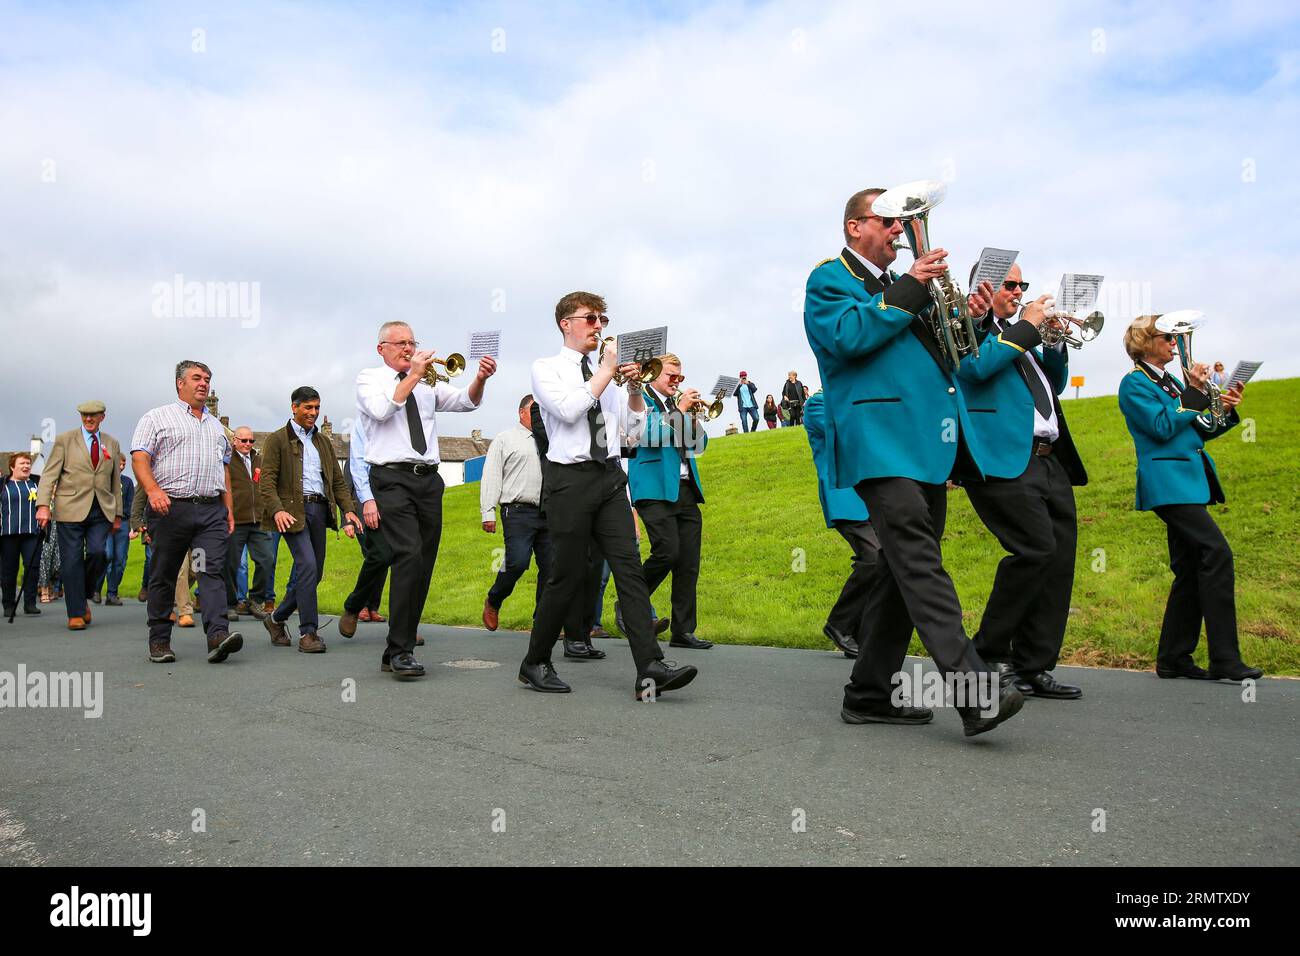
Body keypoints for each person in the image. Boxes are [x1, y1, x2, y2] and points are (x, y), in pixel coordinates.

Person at [803, 186, 1023, 736]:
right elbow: (848, 338)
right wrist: (912, 287)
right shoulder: (830, 278)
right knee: (921, 567)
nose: (900, 231)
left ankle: (869, 693)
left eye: (905, 223)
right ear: (856, 227)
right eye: (890, 221)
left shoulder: (904, 288)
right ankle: (976, 695)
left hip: (926, 442)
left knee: (902, 575)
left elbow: (952, 357)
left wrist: (971, 320)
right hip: (880, 442)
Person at [520, 291, 698, 699]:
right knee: (566, 576)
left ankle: (650, 669)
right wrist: (606, 370)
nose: (599, 326)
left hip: (611, 477)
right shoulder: (546, 368)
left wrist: (634, 387)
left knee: (630, 570)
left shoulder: (607, 375)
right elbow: (568, 410)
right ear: (566, 323)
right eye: (590, 318)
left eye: (603, 318)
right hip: (570, 481)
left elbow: (632, 430)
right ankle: (534, 661)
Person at [955, 262, 1087, 699]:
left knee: (1058, 561)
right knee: (1034, 550)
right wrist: (1028, 327)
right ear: (984, 286)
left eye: (1022, 285)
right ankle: (988, 654)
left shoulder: (1022, 333)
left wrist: (1054, 339)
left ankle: (1033, 665)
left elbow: (1056, 384)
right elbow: (975, 370)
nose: (1018, 291)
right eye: (1010, 284)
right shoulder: (967, 325)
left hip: (1050, 460)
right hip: (1004, 459)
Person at [1118, 315, 1260, 681]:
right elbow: (1163, 427)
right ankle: (1225, 659)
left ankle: (1174, 657)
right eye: (1167, 337)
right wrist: (1194, 394)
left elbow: (1199, 431)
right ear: (1144, 342)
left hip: (1189, 481)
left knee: (1191, 567)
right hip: (1168, 483)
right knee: (1217, 553)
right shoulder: (1134, 384)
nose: (1175, 344)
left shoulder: (1171, 383)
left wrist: (1223, 410)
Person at [356, 321, 496, 680]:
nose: (408, 348)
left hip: (428, 481)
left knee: (423, 564)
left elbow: (467, 402)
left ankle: (395, 648)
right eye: (400, 343)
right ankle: (402, 649)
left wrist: (480, 378)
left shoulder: (427, 383)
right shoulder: (370, 379)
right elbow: (384, 410)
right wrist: (414, 374)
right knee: (408, 555)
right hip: (391, 479)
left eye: (412, 342)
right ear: (381, 348)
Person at [131, 360, 242, 664]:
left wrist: (228, 509)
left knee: (211, 571)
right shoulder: (157, 418)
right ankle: (159, 640)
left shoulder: (218, 428)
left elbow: (225, 470)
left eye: (207, 378)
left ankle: (218, 635)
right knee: (165, 574)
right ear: (180, 383)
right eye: (197, 378)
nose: (203, 383)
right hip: (170, 509)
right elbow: (140, 458)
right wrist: (153, 491)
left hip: (209, 512)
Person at [259, 387, 360, 654]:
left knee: (313, 574)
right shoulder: (277, 440)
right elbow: (267, 481)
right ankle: (308, 633)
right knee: (306, 566)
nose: (313, 413)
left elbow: (337, 482)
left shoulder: (323, 442)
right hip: (292, 511)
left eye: (316, 408)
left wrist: (348, 510)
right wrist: (277, 510)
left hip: (318, 510)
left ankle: (276, 619)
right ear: (294, 407)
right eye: (308, 408)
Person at [627, 353, 712, 649]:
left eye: (680, 378)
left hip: (686, 488)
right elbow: (645, 435)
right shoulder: (639, 398)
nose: (676, 382)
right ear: (655, 373)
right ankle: (630, 604)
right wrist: (678, 410)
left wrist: (688, 417)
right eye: (671, 376)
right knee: (667, 552)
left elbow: (700, 445)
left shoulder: (679, 408)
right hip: (653, 488)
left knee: (688, 563)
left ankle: (683, 631)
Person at [35, 399, 124, 630]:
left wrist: (118, 514)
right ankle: (76, 611)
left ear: (102, 416)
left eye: (93, 415)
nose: (88, 419)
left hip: (101, 508)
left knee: (99, 553)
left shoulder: (111, 443)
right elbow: (49, 475)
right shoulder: (65, 440)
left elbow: (115, 482)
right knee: (72, 560)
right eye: (84, 416)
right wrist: (43, 505)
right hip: (69, 508)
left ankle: (81, 594)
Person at [803, 390, 877, 659]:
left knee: (881, 563)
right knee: (874, 557)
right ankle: (839, 624)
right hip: (844, 494)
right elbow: (847, 434)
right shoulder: (817, 403)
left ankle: (858, 632)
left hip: (870, 494)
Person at [480, 393, 551, 632]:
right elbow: (491, 474)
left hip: (549, 512)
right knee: (517, 562)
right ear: (521, 412)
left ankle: (542, 621)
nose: (539, 416)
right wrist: (487, 511)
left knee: (552, 569)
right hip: (518, 511)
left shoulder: (551, 440)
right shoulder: (505, 439)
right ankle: (494, 599)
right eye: (534, 410)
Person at [338, 416, 395, 639]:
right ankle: (359, 605)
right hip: (362, 516)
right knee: (376, 556)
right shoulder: (356, 458)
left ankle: (373, 608)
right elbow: (345, 490)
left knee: (388, 560)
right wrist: (347, 521)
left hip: (389, 511)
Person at [224, 426, 272, 622]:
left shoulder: (259, 460)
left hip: (258, 520)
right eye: (243, 441)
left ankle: (255, 600)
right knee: (231, 564)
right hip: (236, 520)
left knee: (266, 560)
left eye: (251, 441)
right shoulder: (227, 460)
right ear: (234, 441)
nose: (247, 444)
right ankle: (229, 603)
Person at [1, 451, 42, 617]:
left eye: (28, 464)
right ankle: (9, 604)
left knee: (32, 567)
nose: (26, 467)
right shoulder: (3, 484)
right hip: (8, 534)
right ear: (12, 467)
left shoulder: (36, 483)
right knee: (9, 570)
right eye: (22, 464)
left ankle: (30, 603)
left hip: (32, 533)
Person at [94, 454, 134, 605]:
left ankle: (112, 593)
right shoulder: (103, 481)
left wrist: (131, 524)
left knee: (120, 560)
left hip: (122, 523)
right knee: (107, 555)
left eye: (123, 464)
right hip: (105, 522)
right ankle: (96, 589)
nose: (121, 467)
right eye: (119, 464)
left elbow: (131, 503)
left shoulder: (128, 482)